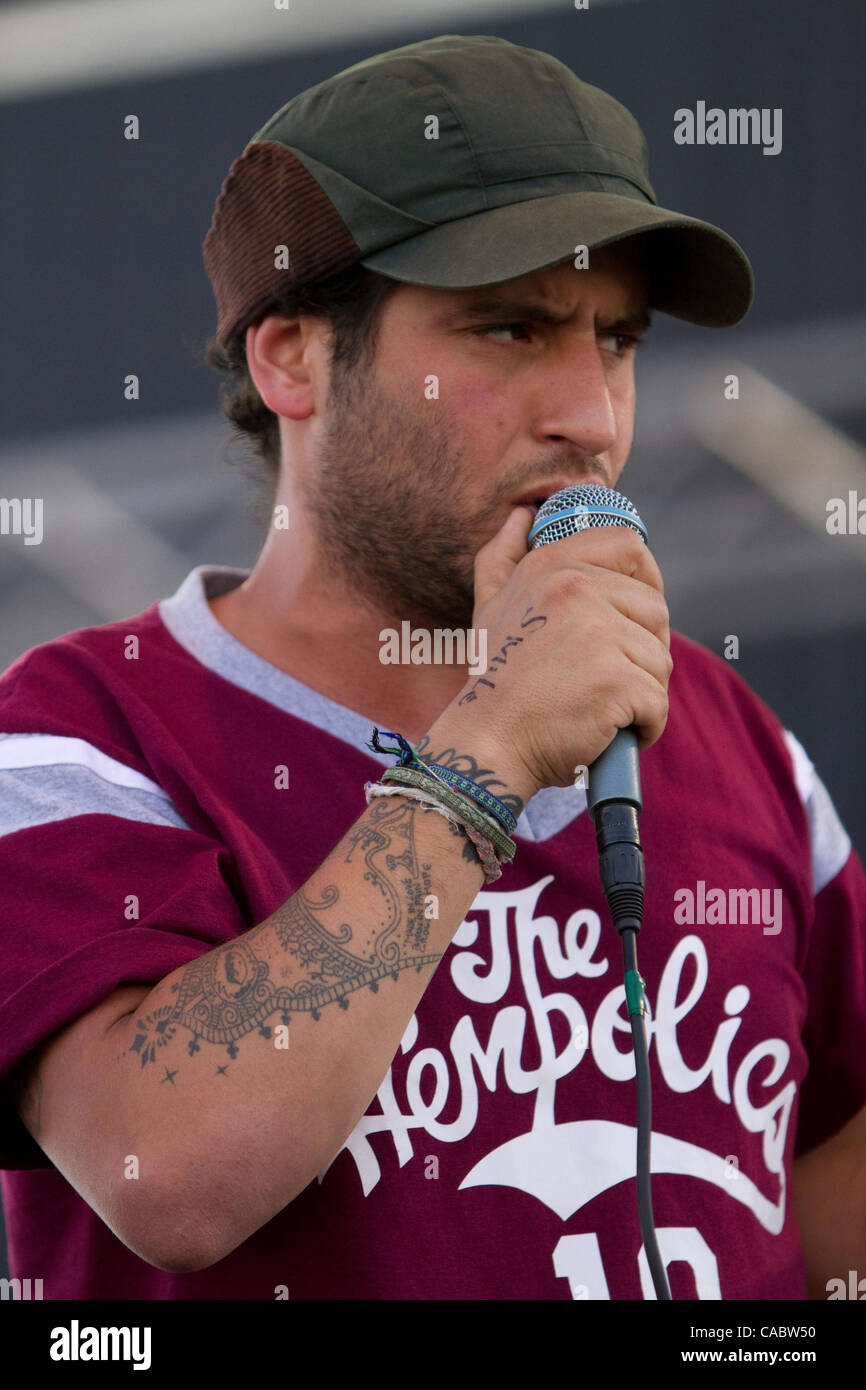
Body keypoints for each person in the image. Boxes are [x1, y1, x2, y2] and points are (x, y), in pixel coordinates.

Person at [0, 33, 863, 1302]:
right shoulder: (82, 731)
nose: (594, 415)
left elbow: (828, 1149)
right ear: (291, 356)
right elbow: (161, 1169)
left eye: (614, 338)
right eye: (509, 328)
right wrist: (492, 745)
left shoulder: (728, 730)